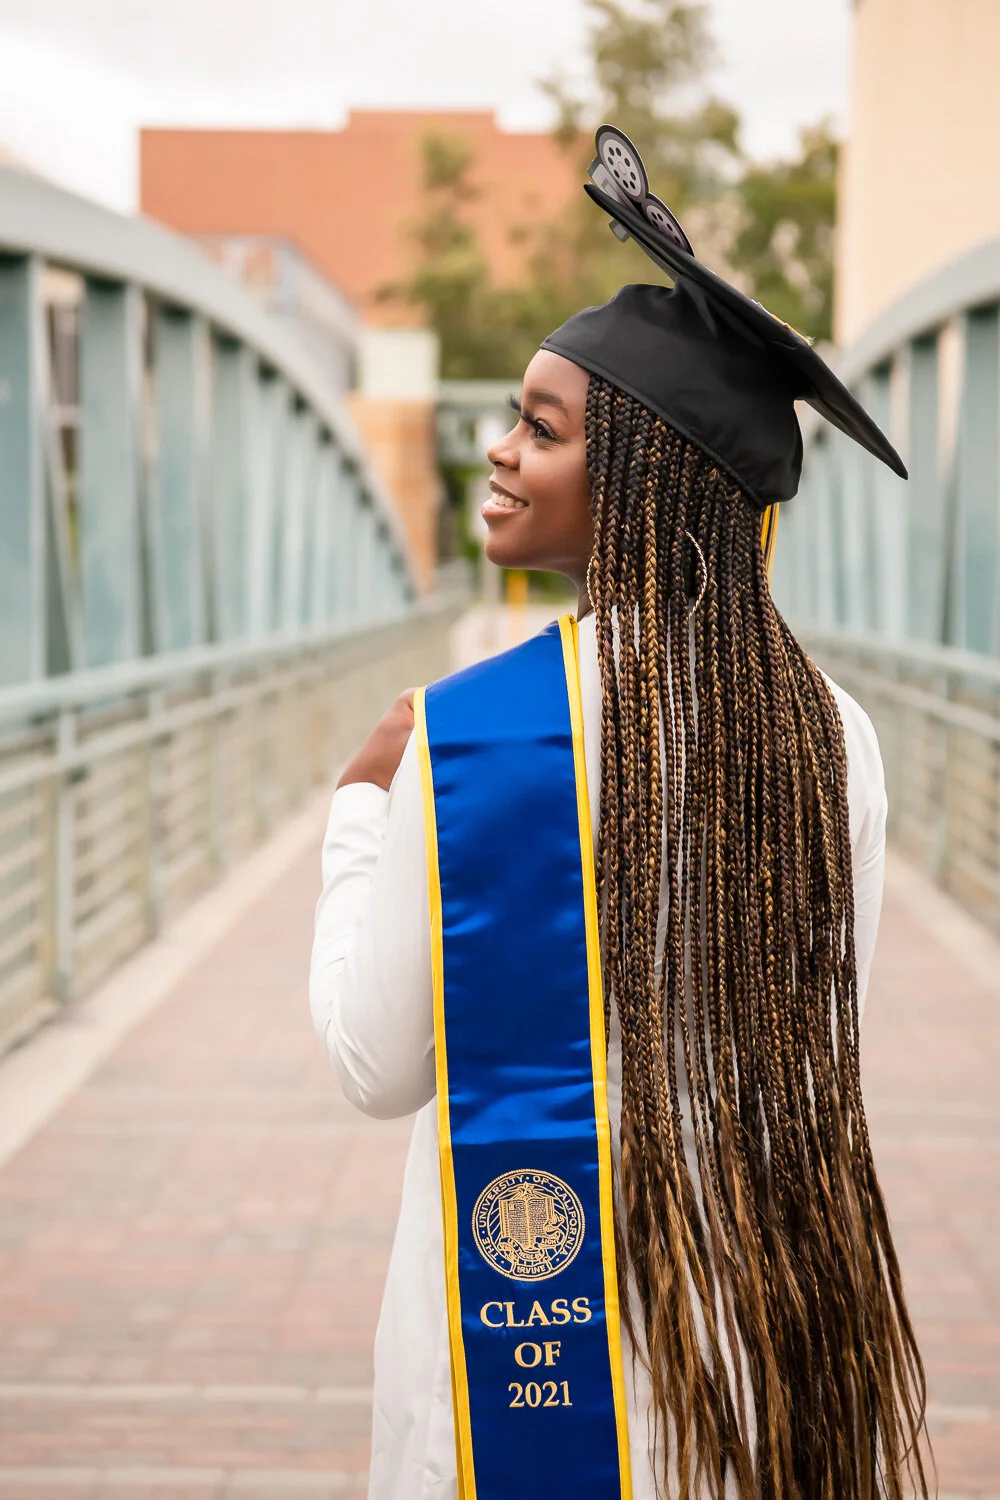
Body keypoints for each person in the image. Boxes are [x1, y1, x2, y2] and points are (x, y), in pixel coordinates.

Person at [310, 130, 929, 1500]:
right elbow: (821, 1028)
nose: (498, 447)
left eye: (542, 425)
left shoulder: (473, 738)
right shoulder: (833, 737)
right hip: (741, 1350)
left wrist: (359, 810)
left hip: (509, 1368)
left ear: (646, 480)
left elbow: (375, 1064)